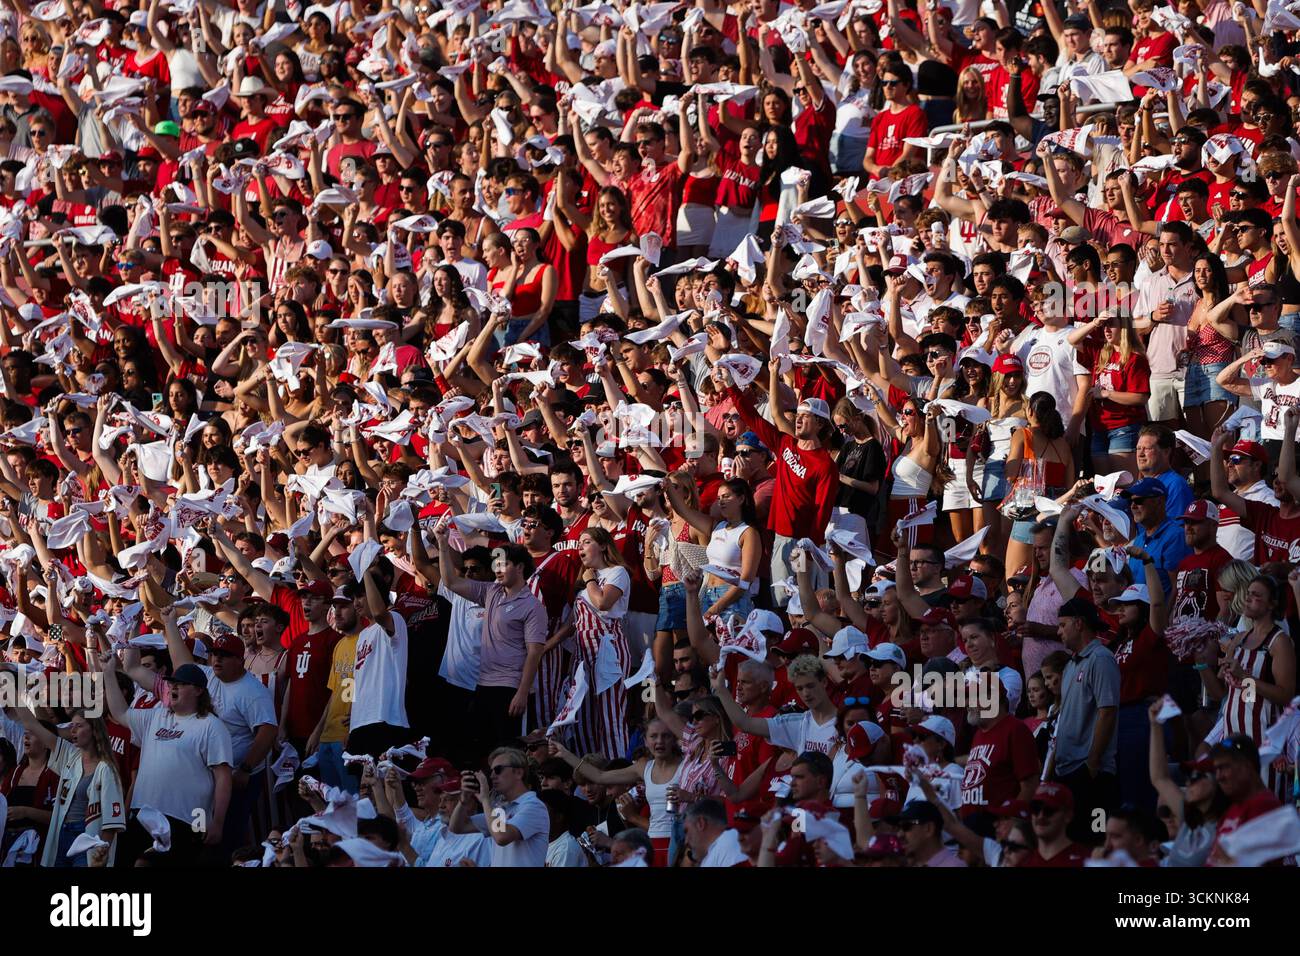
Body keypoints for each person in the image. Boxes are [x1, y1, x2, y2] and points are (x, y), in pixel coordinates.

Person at [447, 747, 549, 868]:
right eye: (491, 771)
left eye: (498, 770)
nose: (492, 776)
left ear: (518, 773)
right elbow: (457, 827)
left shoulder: (534, 806)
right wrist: (463, 801)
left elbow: (501, 837)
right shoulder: (500, 810)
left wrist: (485, 799)